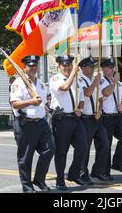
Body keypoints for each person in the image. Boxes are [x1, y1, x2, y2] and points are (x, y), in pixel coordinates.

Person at [10, 55, 55, 193]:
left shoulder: (40, 84)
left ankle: (39, 179)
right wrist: (31, 101)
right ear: (24, 67)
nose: (33, 68)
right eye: (30, 66)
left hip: (41, 122)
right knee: (26, 158)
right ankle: (27, 186)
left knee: (50, 149)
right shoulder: (18, 83)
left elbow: (42, 103)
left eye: (35, 65)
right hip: (25, 123)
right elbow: (15, 104)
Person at [49, 55, 87, 190]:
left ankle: (73, 174)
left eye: (69, 65)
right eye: (64, 65)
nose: (67, 67)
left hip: (75, 118)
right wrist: (73, 74)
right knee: (61, 151)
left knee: (83, 145)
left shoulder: (77, 79)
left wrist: (80, 108)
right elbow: (64, 88)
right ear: (59, 66)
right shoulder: (55, 78)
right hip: (61, 118)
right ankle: (60, 180)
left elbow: (82, 98)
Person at [78, 57, 110, 184]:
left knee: (105, 144)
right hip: (86, 118)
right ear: (83, 68)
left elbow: (100, 99)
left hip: (97, 117)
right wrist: (95, 82)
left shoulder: (94, 80)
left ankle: (98, 170)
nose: (93, 69)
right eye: (91, 67)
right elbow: (86, 93)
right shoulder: (80, 80)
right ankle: (82, 173)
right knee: (85, 147)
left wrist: (100, 110)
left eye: (93, 67)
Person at [99, 58, 122, 179]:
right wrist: (113, 83)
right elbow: (105, 93)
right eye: (109, 67)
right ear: (103, 68)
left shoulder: (117, 81)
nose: (112, 69)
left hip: (117, 116)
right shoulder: (101, 81)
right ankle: (104, 171)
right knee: (106, 144)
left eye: (113, 67)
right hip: (106, 116)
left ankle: (117, 162)